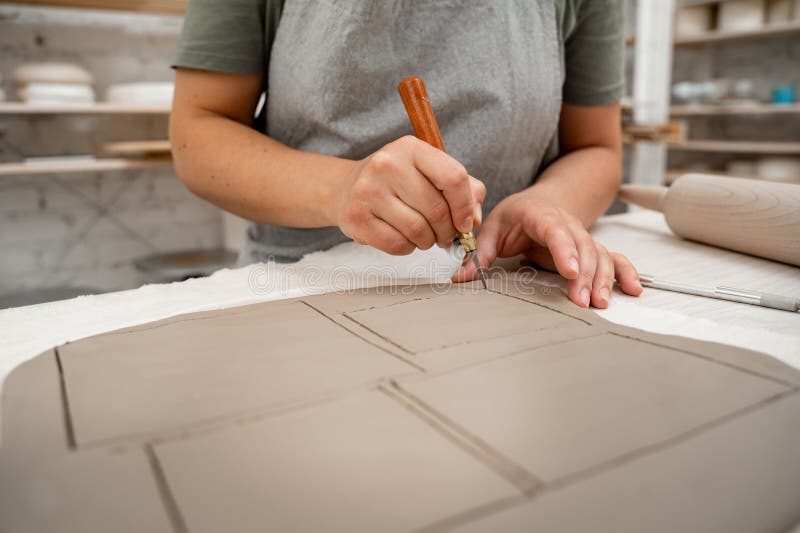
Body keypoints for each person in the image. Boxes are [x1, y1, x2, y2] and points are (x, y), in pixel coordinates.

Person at [170, 0, 643, 308]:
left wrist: (552, 203)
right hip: (297, 287)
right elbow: (200, 131)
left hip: (510, 277)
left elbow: (597, 148)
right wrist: (339, 189)